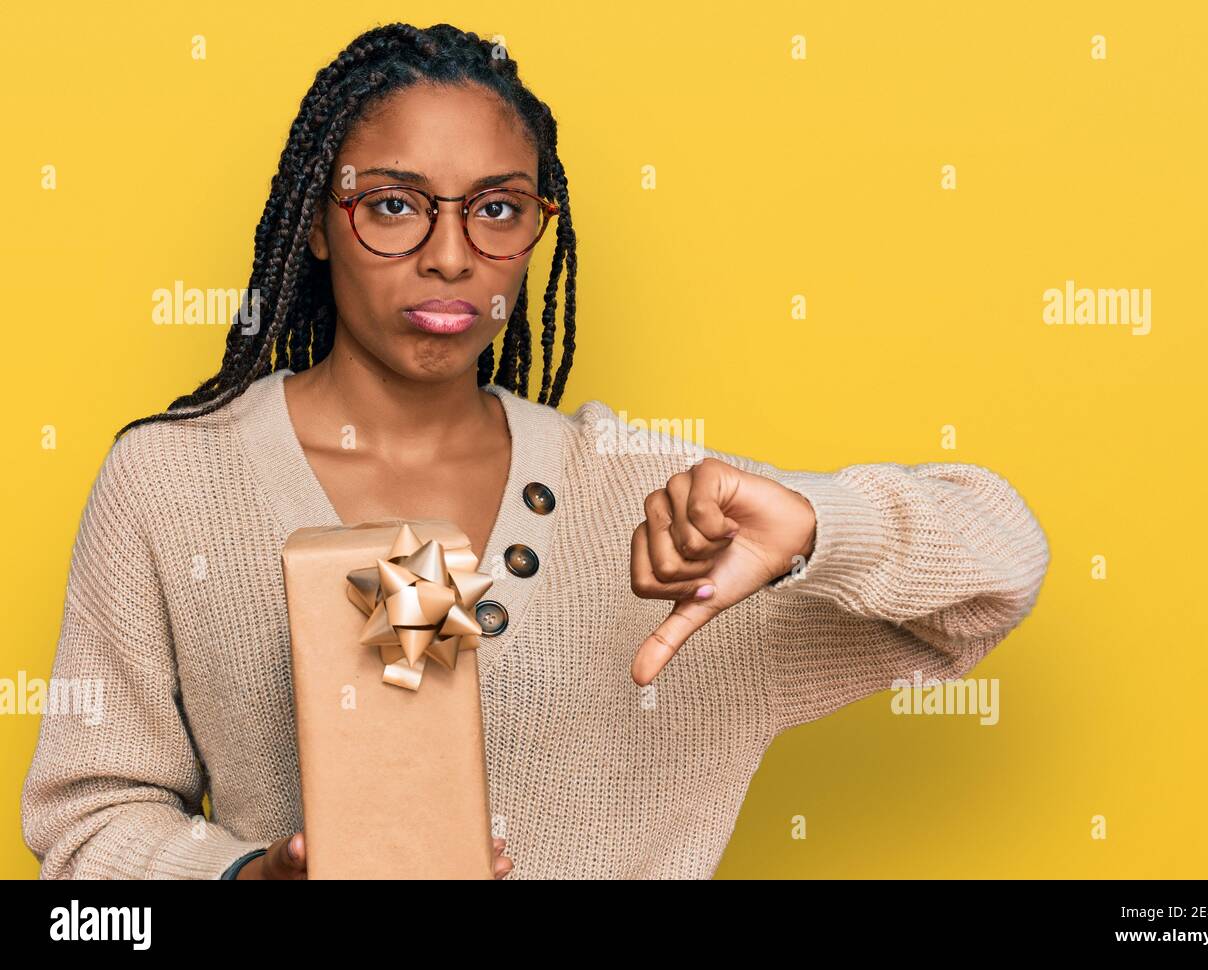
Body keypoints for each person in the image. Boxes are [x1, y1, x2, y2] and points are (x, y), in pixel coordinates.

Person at [21, 22, 1050, 880]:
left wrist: (821, 524)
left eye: (499, 210)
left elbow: (999, 566)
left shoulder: (668, 523)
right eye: (392, 203)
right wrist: (245, 878)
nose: (452, 253)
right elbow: (85, 825)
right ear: (318, 224)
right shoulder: (170, 484)